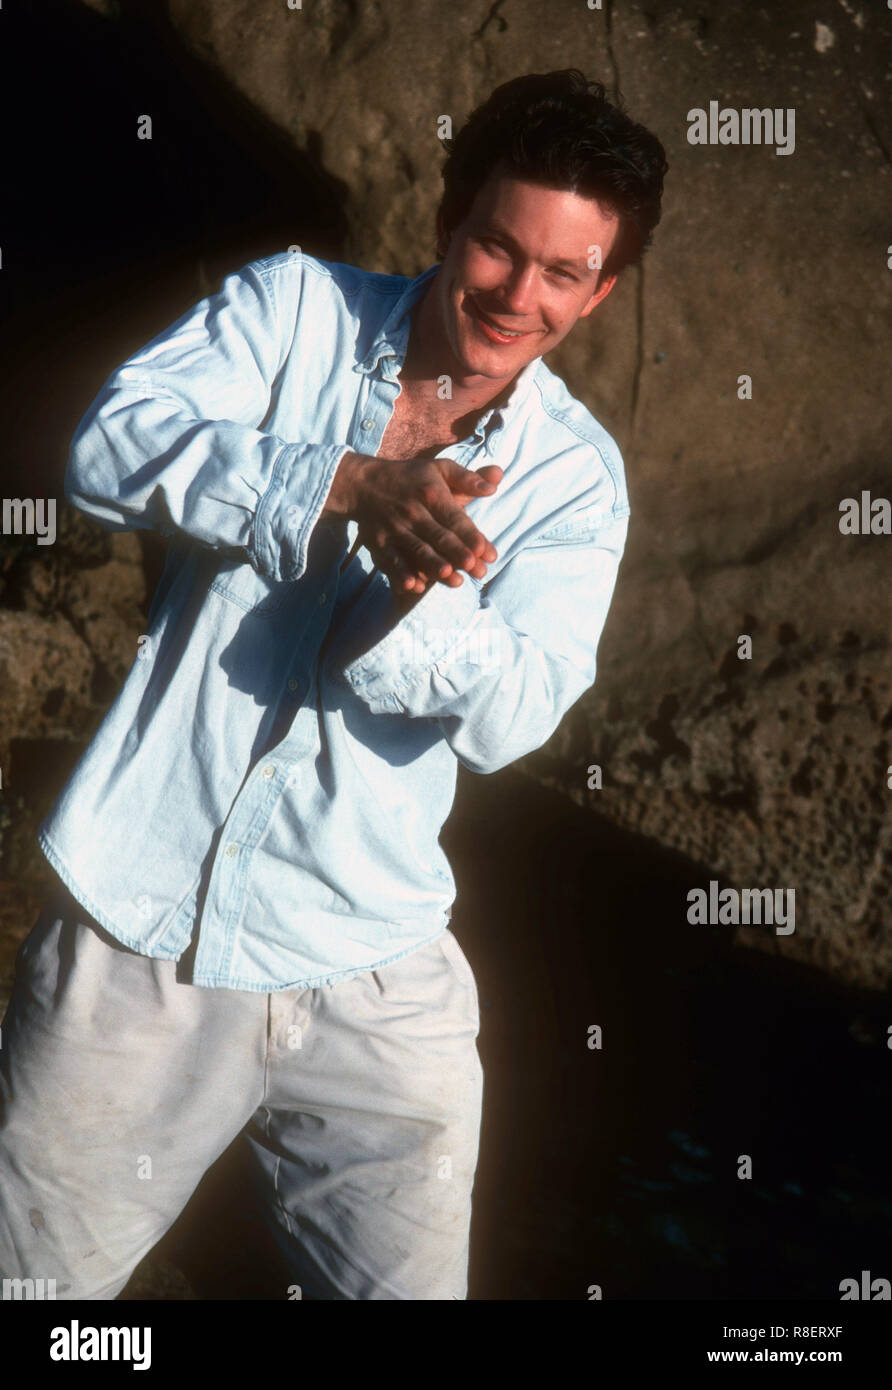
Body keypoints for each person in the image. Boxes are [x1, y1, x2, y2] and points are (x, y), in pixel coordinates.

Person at [0, 69, 667, 1301]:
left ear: (603, 288)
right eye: (498, 248)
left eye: (563, 275)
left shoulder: (575, 479)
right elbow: (104, 444)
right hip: (137, 934)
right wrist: (347, 486)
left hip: (374, 968)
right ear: (447, 222)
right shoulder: (290, 308)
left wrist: (426, 587)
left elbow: (517, 714)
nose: (520, 297)